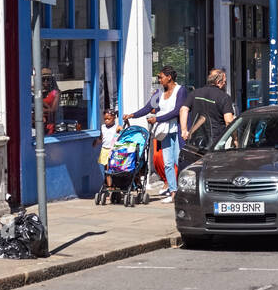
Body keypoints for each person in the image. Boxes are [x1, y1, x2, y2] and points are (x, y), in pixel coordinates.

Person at [125, 66, 188, 201]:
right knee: (168, 163)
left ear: (169, 77)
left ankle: (185, 191)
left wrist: (157, 119)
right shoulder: (159, 93)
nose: (159, 80)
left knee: (179, 160)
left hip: (176, 131)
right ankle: (173, 192)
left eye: (161, 77)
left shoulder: (180, 90)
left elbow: (177, 111)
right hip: (164, 132)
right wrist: (132, 115)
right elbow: (148, 107)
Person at [181, 69, 236, 151]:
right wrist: (235, 139)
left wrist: (184, 130)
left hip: (195, 142)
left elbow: (183, 109)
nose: (225, 84)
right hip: (215, 143)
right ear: (218, 82)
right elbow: (228, 121)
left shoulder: (195, 93)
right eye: (224, 82)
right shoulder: (224, 97)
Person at [98, 109, 121, 191]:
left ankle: (112, 186)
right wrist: (96, 142)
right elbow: (101, 137)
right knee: (106, 170)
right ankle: (109, 186)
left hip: (113, 150)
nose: (106, 121)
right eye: (105, 119)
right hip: (104, 150)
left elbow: (124, 133)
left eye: (109, 119)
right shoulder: (103, 127)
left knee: (110, 169)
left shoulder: (117, 127)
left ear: (114, 118)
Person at [40, 68, 59, 135]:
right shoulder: (40, 92)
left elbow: (53, 109)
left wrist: (42, 108)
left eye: (48, 79)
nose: (45, 82)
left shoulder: (55, 93)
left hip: (49, 124)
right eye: (43, 79)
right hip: (39, 123)